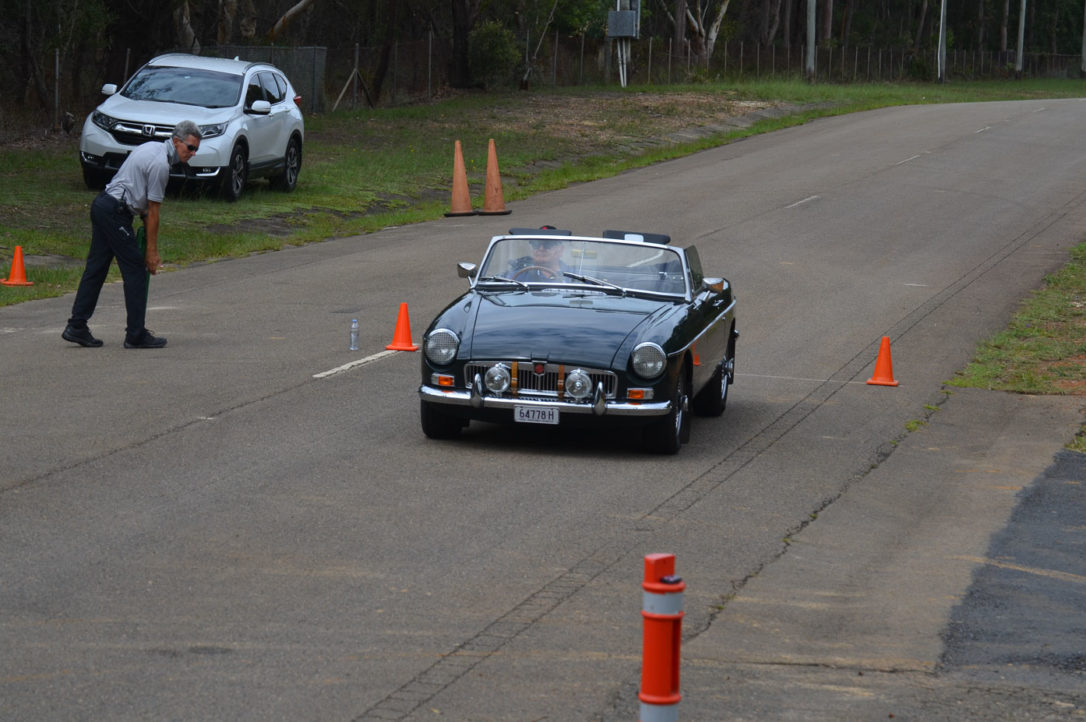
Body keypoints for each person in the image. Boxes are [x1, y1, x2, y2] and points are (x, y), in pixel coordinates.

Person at [62, 120, 201, 349]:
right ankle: (135, 334)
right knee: (136, 270)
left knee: (96, 269)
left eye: (196, 149)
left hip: (104, 206)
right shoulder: (160, 165)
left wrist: (148, 241)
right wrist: (151, 252)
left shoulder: (152, 148)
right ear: (176, 142)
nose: (193, 153)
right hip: (114, 212)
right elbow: (154, 211)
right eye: (190, 147)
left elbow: (145, 208)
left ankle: (77, 325)